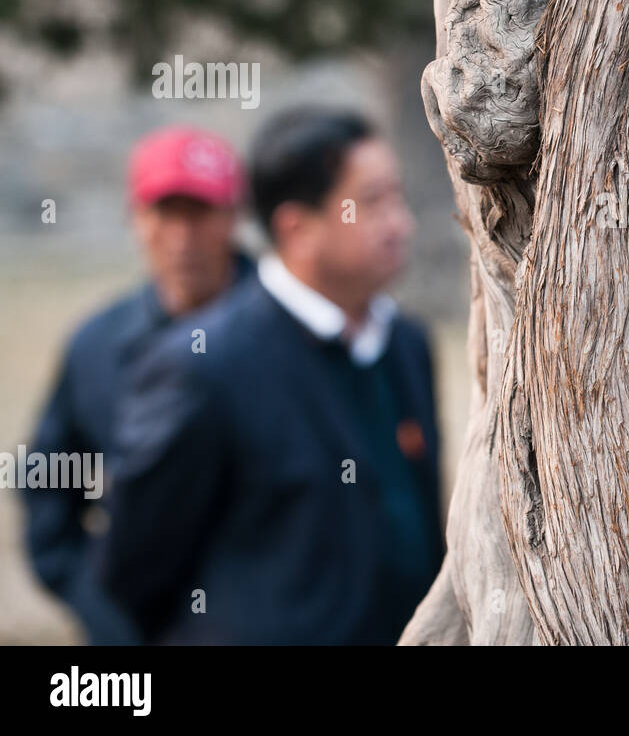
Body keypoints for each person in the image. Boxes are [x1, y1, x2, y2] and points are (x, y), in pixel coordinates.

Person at [99, 107, 445, 644]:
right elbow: (137, 567)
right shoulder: (203, 364)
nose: (402, 223)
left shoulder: (405, 344)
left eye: (397, 198)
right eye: (372, 203)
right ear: (297, 227)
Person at [23, 126, 250, 645]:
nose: (182, 238)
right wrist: (100, 605)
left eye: (199, 215)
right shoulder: (95, 346)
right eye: (164, 215)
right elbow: (49, 489)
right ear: (136, 220)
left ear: (234, 218)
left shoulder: (289, 330)